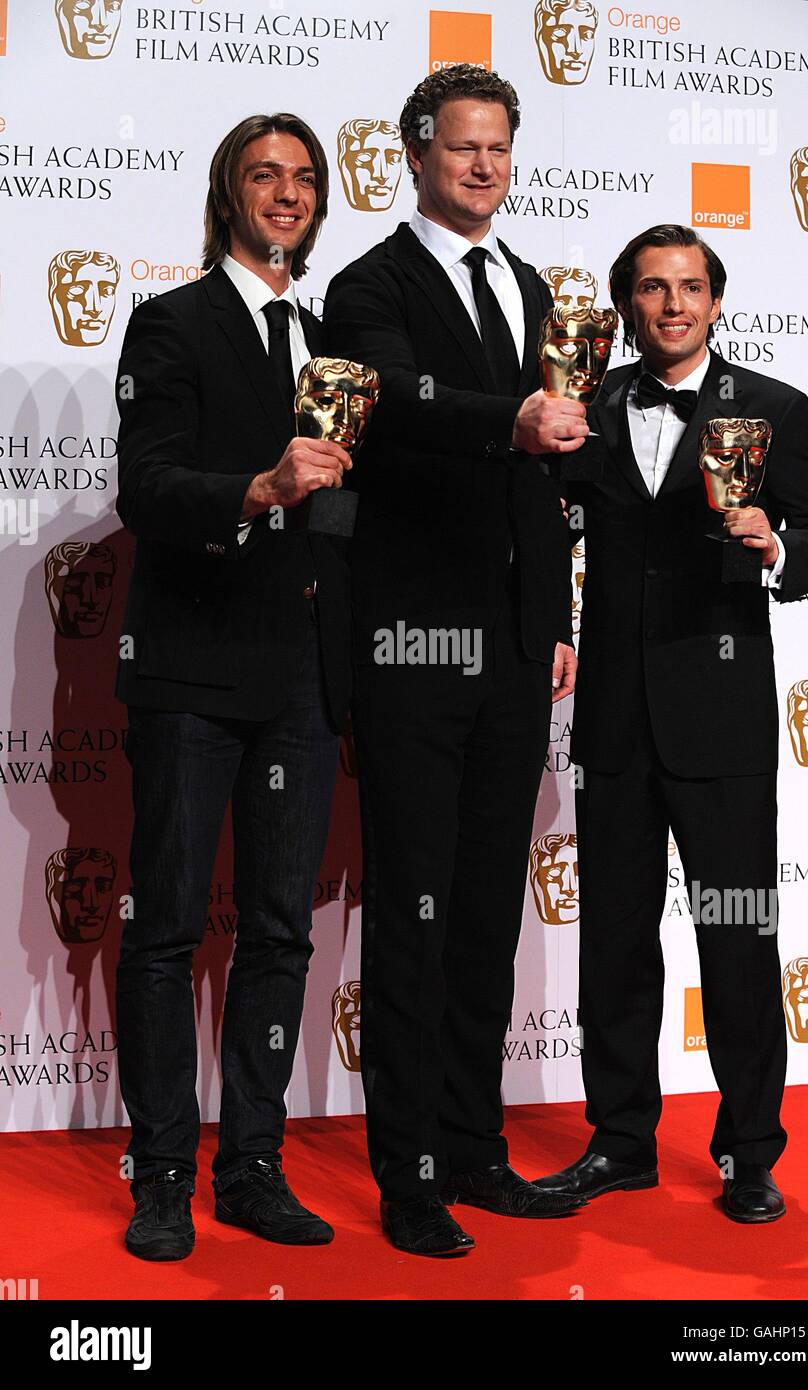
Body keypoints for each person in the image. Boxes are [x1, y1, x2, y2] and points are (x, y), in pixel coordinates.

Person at [534, 224, 808, 1223]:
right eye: (650, 288)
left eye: (687, 287)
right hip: (614, 725)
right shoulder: (582, 409)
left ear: (715, 301)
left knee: (737, 937)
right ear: (627, 306)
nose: (670, 304)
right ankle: (620, 1139)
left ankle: (749, 1153)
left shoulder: (770, 407)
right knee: (615, 944)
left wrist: (775, 545)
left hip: (718, 719)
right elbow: (545, 533)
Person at [323, 64, 590, 1256]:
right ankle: (410, 1169)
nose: (483, 167)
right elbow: (388, 401)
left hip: (515, 644)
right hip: (410, 641)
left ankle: (474, 1145)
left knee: (485, 906)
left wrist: (560, 614)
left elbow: (548, 468)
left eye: (498, 149)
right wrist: (511, 417)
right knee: (417, 909)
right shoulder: (367, 283)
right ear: (415, 153)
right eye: (462, 148)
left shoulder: (528, 284)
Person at [114, 113, 353, 1260]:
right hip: (189, 666)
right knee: (163, 928)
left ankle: (250, 1164)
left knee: (277, 932)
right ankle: (160, 1169)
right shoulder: (172, 323)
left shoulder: (334, 338)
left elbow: (353, 514)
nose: (288, 192)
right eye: (266, 174)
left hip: (301, 677)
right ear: (228, 193)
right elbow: (146, 491)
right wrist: (258, 488)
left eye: (305, 177)